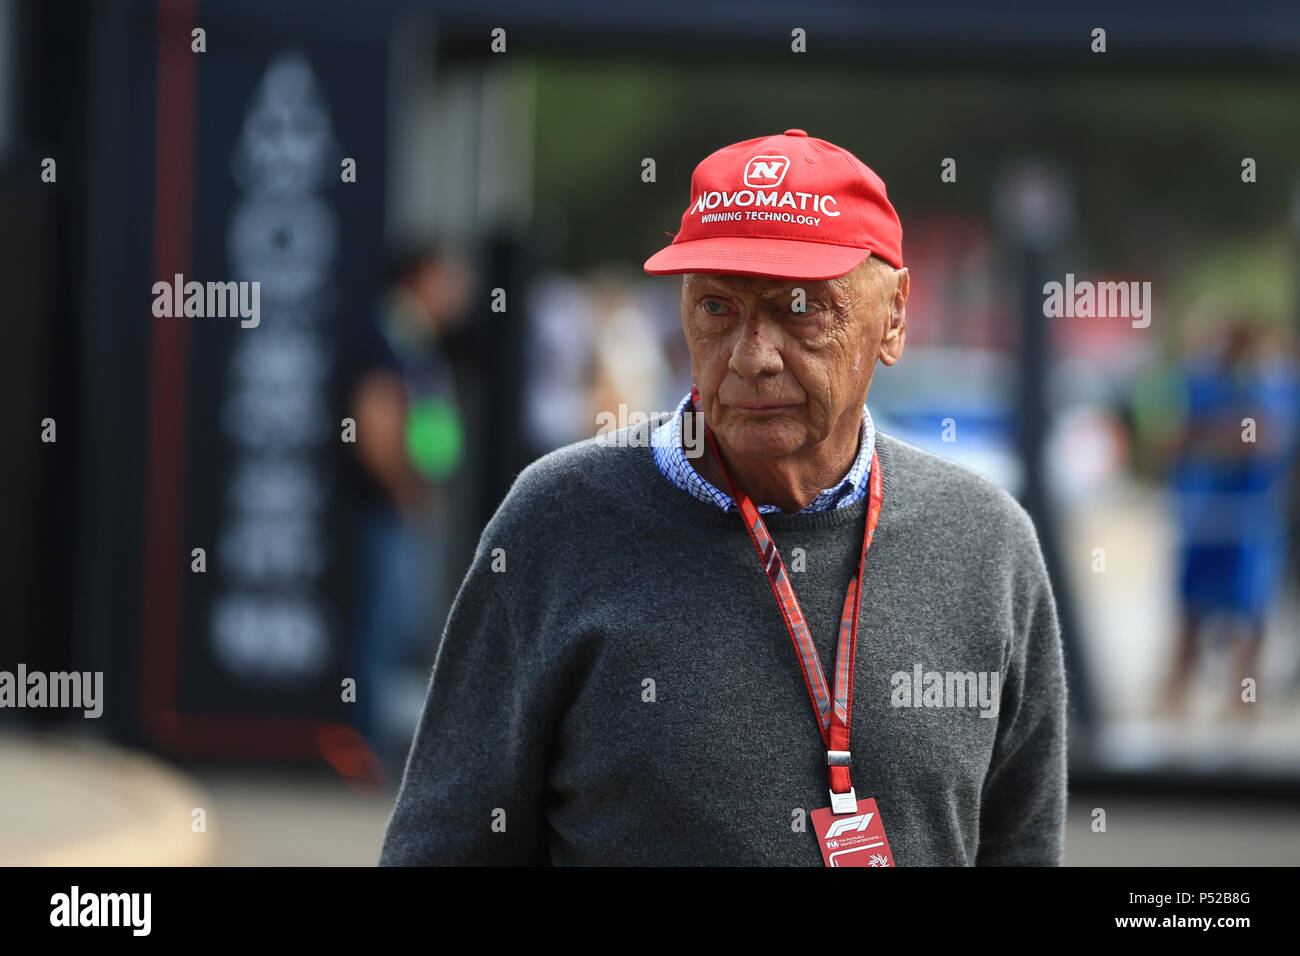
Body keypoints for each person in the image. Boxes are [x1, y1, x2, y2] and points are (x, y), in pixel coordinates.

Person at [380, 130, 1067, 865]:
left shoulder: (986, 544)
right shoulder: (557, 521)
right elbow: (442, 847)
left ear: (894, 314)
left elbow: (1021, 848)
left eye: (800, 308)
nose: (750, 356)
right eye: (715, 307)